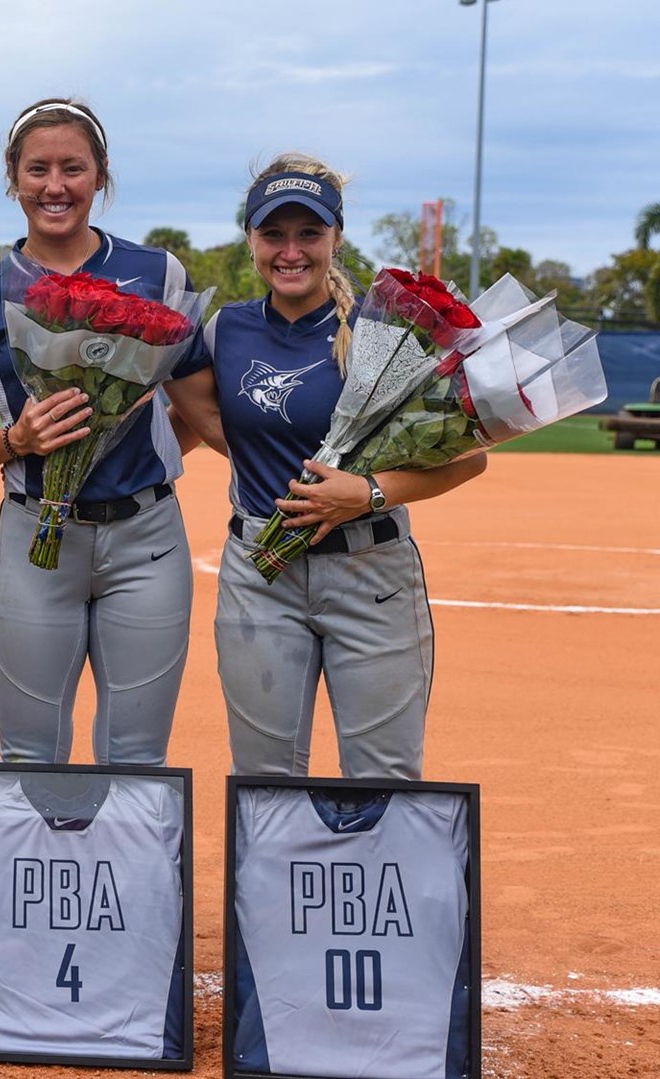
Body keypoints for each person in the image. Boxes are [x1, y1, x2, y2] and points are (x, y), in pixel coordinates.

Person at [165, 154, 486, 779]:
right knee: (264, 782)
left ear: (336, 237)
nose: (291, 251)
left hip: (371, 571)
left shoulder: (387, 329)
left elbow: (469, 458)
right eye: (273, 234)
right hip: (260, 573)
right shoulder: (225, 330)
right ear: (251, 240)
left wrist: (366, 492)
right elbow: (201, 423)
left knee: (385, 780)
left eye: (309, 233)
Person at [0, 97, 196, 766]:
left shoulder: (159, 274)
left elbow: (199, 406)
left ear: (101, 175)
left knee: (138, 756)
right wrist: (15, 442)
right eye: (38, 169)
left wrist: (140, 444)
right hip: (34, 533)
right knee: (29, 754)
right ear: (13, 177)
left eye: (73, 168)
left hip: (146, 537)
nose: (55, 186)